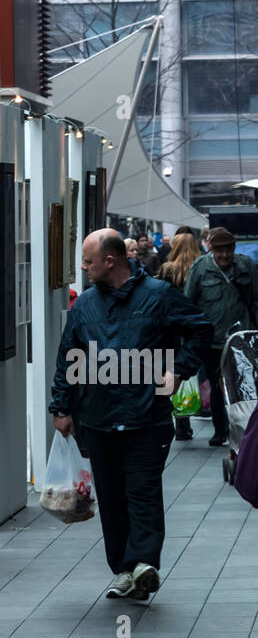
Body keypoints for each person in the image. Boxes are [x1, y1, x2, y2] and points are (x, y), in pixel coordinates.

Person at [50, 229, 212, 601]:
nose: (83, 266)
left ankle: (142, 563)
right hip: (97, 419)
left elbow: (200, 330)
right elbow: (67, 359)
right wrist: (60, 407)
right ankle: (124, 570)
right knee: (111, 498)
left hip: (146, 418)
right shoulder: (85, 305)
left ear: (111, 261)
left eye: (88, 261)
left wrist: (179, 369)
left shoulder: (158, 296)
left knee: (142, 492)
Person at [184, 226, 258, 446]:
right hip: (212, 340)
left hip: (242, 339)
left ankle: (244, 430)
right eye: (220, 251)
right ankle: (220, 429)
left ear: (234, 248)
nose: (225, 255)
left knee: (244, 386)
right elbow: (189, 303)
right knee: (217, 387)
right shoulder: (200, 268)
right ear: (211, 249)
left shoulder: (246, 266)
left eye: (228, 250)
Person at [160, 232, 204, 440]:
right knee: (196, 372)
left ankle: (180, 422)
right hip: (194, 326)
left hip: (172, 329)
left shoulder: (168, 269)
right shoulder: (200, 266)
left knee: (171, 372)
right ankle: (202, 410)